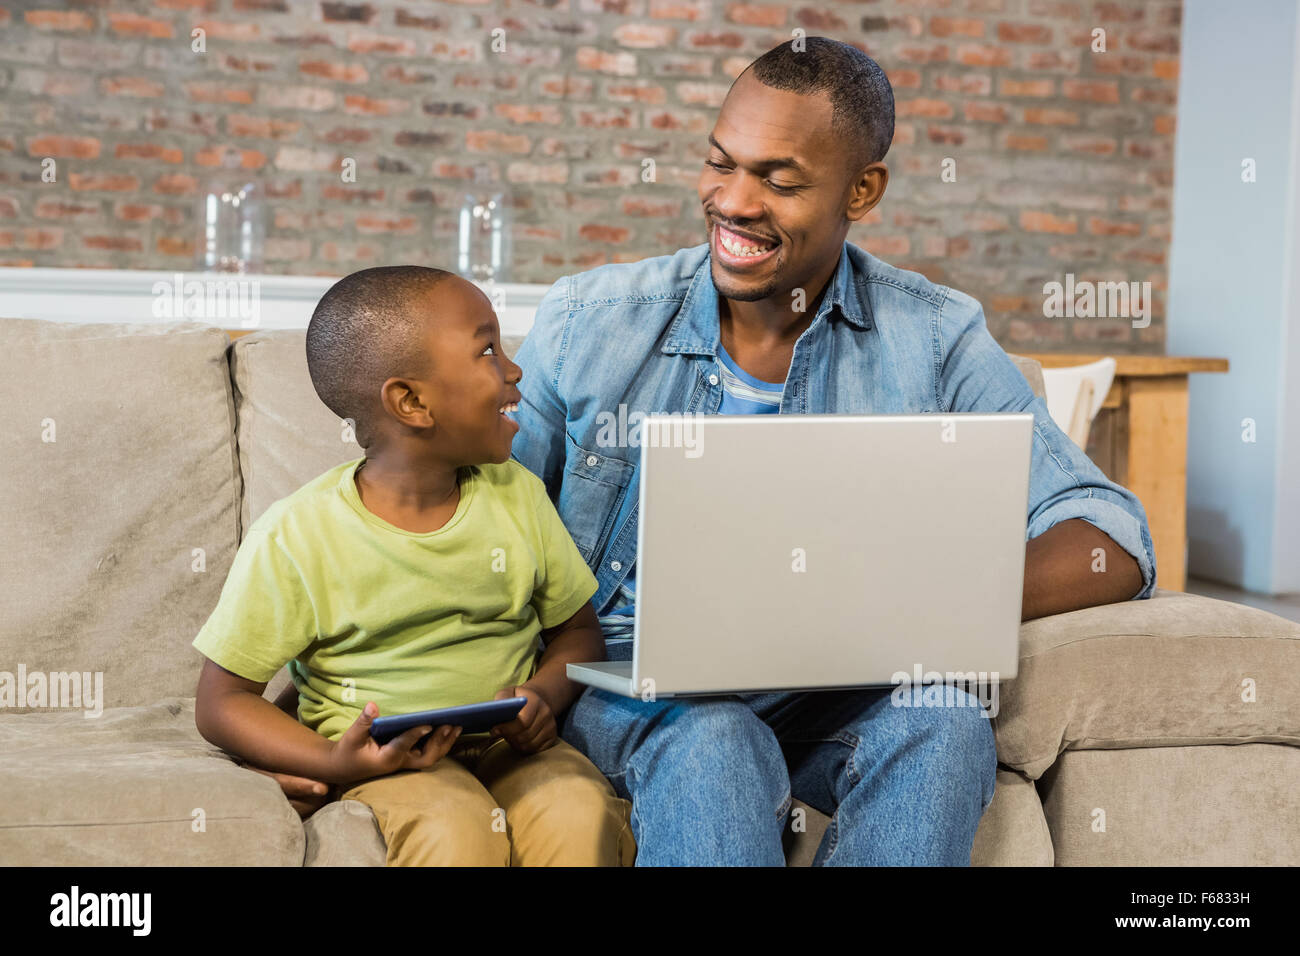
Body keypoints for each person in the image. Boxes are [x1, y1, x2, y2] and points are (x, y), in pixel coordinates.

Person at [502, 37, 1155, 865]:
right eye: (720, 163)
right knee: (714, 738)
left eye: (778, 179)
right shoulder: (590, 322)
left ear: (863, 189)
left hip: (839, 685)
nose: (734, 201)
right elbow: (492, 527)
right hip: (637, 683)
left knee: (945, 719)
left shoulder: (934, 337)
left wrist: (917, 606)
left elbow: (1110, 537)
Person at [192, 265, 635, 866]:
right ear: (410, 401)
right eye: (487, 350)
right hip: (392, 761)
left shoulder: (518, 494)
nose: (514, 370)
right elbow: (223, 701)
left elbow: (578, 632)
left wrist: (542, 696)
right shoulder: (298, 534)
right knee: (455, 833)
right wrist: (331, 762)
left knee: (579, 813)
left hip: (508, 747)